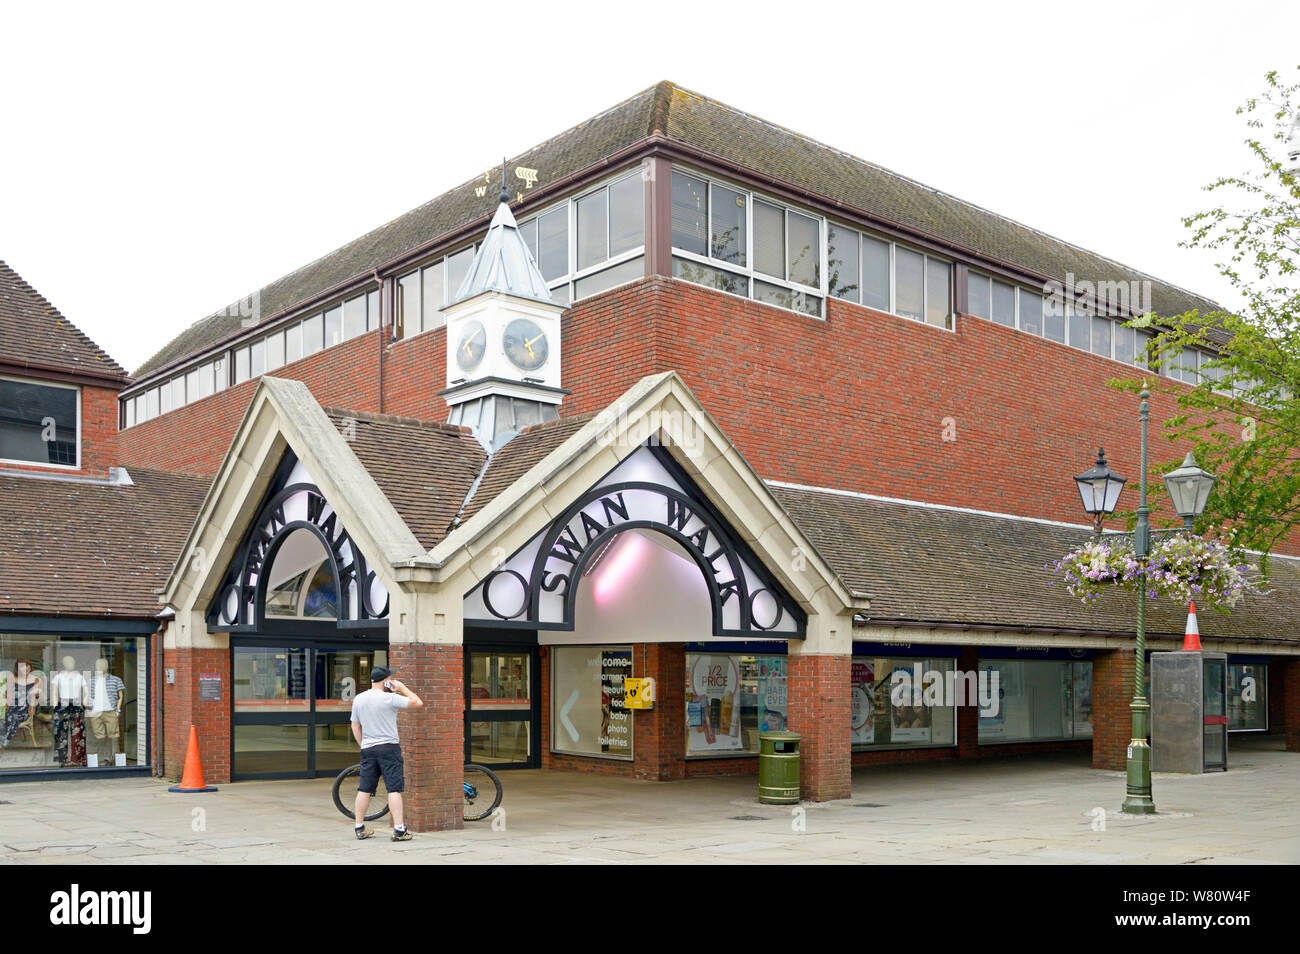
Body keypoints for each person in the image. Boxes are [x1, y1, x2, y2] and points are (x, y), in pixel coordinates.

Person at [349, 665, 422, 841]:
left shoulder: (359, 699)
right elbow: (418, 702)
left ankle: (359, 827)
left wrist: (363, 745)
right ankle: (399, 830)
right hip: (389, 748)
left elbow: (355, 725)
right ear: (386, 680)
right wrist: (403, 688)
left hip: (368, 749)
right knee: (394, 789)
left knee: (364, 788)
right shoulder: (390, 698)